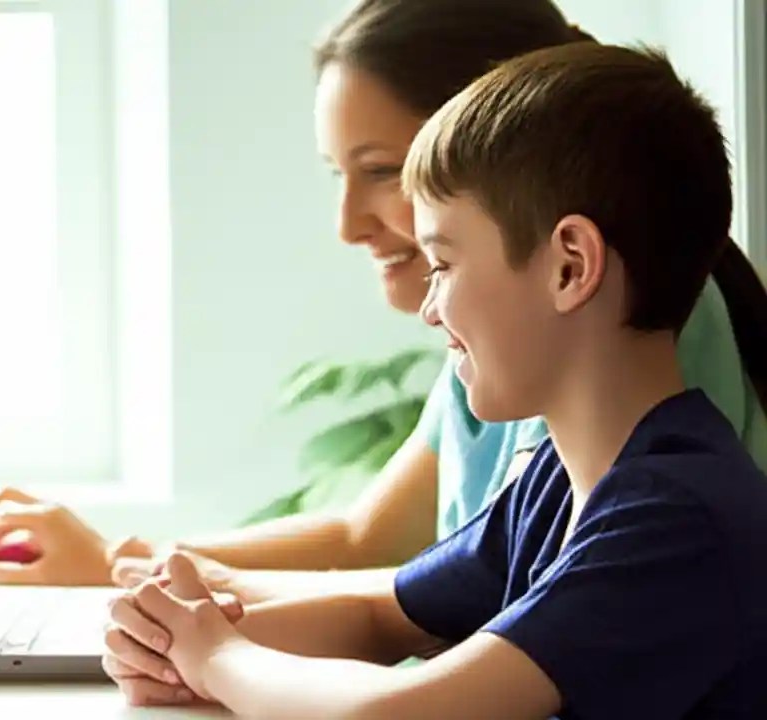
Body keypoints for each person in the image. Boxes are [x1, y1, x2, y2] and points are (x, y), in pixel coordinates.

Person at [0, 0, 767, 600]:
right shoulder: (506, 354)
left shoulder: (618, 340)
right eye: (336, 173)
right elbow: (370, 539)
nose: (349, 224)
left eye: (383, 171)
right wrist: (132, 566)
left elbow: (506, 628)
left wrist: (123, 573)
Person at [104, 42, 767, 717]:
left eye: (443, 264)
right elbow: (379, 617)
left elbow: (394, 711)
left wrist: (217, 658)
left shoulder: (675, 518)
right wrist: (176, 642)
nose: (427, 308)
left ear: (570, 267)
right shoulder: (558, 486)